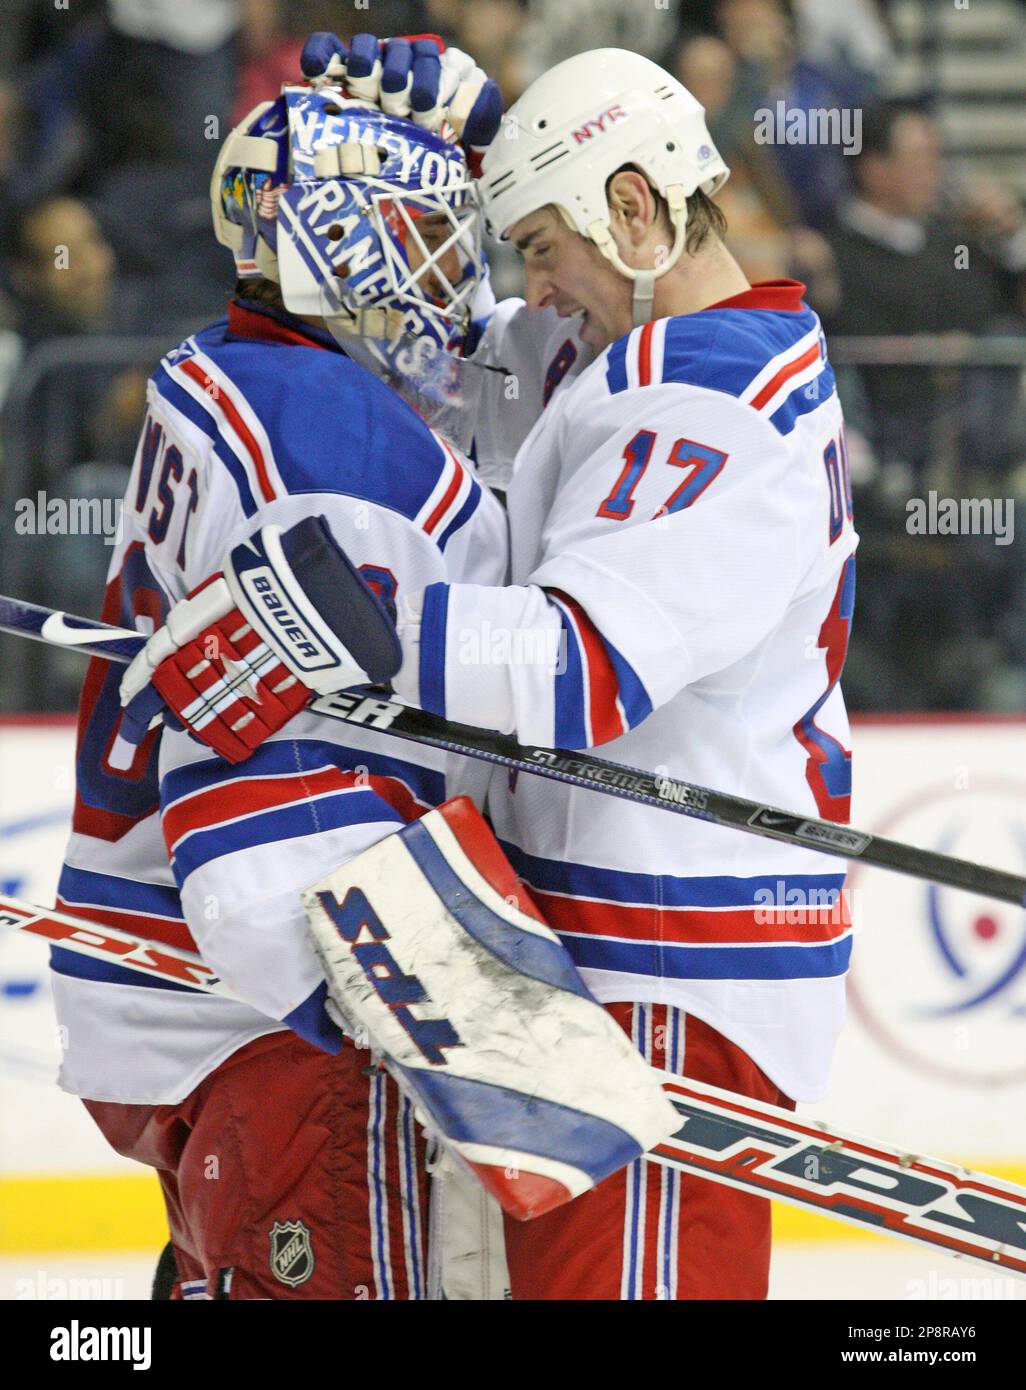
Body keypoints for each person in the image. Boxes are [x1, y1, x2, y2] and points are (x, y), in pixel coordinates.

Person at [125, 41, 858, 1301]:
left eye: (539, 244)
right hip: (612, 956)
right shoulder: (641, 353)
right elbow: (465, 363)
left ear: (633, 210)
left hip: (667, 971)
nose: (533, 289)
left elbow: (577, 665)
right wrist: (483, 151)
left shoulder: (718, 401)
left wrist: (352, 622)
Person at [51, 58, 511, 1299]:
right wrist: (396, 1020)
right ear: (330, 241)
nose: (453, 278)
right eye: (418, 236)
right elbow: (282, 794)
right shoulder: (338, 442)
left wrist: (489, 136)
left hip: (164, 983)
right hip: (273, 1015)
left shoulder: (235, 370)